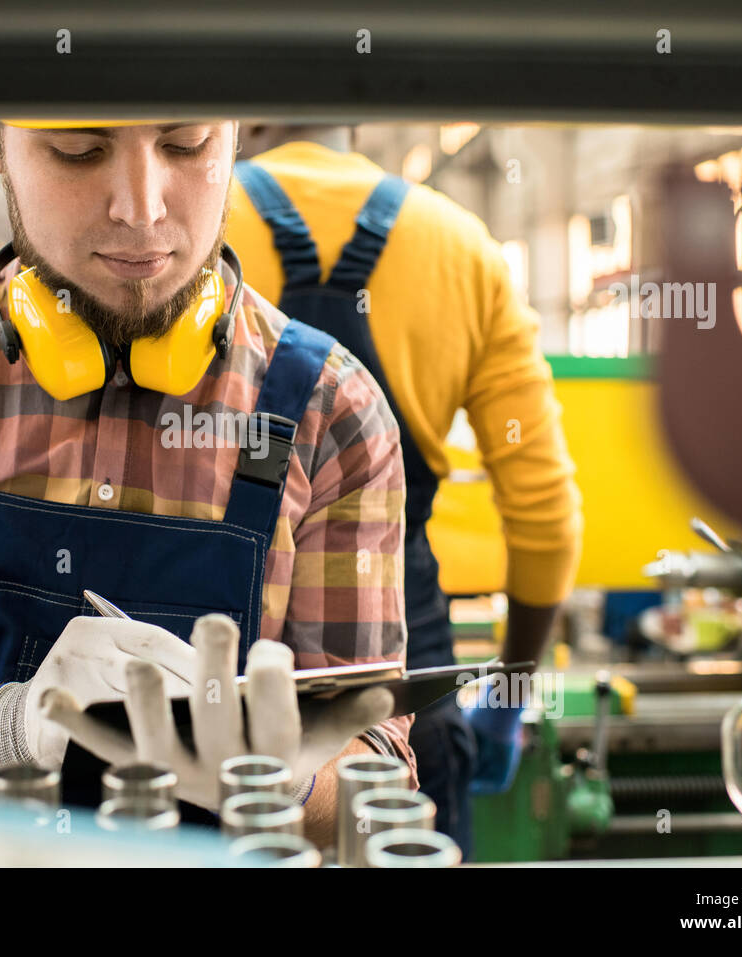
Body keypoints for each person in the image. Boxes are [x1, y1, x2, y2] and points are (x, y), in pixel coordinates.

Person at [0, 119, 415, 846]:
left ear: (236, 132)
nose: (141, 208)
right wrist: (9, 723)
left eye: (187, 146)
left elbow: (378, 801)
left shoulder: (329, 413)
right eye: (78, 150)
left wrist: (277, 776)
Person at [227, 124, 583, 858]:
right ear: (357, 116)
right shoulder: (461, 247)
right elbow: (547, 523)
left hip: (213, 657)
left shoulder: (189, 224)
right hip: (402, 673)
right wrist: (508, 699)